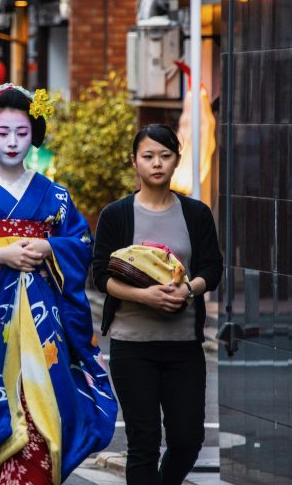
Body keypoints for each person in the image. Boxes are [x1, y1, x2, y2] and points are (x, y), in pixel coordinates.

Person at [0, 84, 117, 485]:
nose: (12, 142)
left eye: (21, 132)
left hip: (45, 325)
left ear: (34, 135)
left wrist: (49, 247)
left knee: (45, 419)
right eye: (1, 133)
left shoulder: (55, 195)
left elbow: (82, 244)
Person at [92, 124, 222, 485]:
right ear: (134, 161)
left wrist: (189, 290)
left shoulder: (195, 213)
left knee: (187, 440)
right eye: (148, 156)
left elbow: (212, 267)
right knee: (144, 441)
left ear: (177, 160)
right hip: (132, 346)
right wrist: (142, 295)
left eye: (165, 155)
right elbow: (100, 275)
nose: (157, 163)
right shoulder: (116, 214)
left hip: (184, 347)